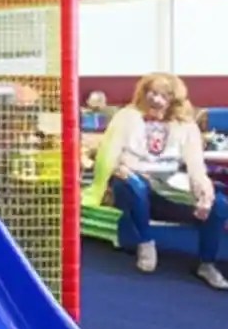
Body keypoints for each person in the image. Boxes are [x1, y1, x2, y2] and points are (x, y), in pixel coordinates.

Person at [86, 73, 228, 288]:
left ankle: (206, 263)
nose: (156, 100)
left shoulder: (186, 126)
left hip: (167, 187)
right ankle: (145, 242)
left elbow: (196, 167)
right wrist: (115, 171)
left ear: (174, 100)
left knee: (218, 205)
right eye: (152, 93)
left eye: (164, 96)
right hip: (130, 186)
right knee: (134, 185)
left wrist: (204, 194)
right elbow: (108, 154)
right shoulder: (126, 117)